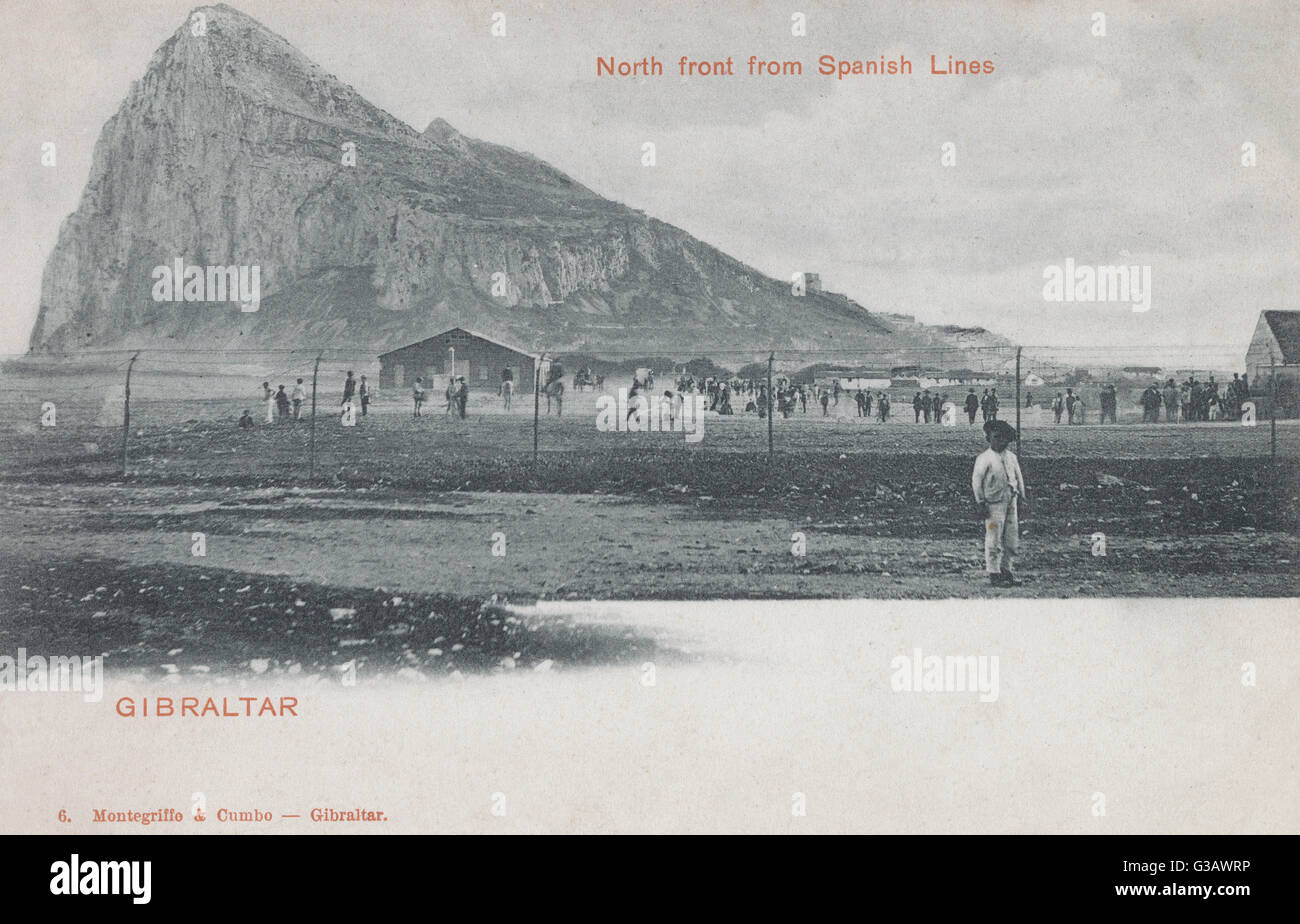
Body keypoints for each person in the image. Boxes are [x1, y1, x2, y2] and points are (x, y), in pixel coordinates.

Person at [972, 419, 1027, 587]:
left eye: (1004, 438)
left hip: (1011, 501)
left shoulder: (1012, 457)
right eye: (996, 437)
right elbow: (976, 481)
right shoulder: (984, 458)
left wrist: (1022, 498)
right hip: (992, 504)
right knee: (993, 537)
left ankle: (1006, 570)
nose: (1000, 441)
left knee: (1011, 539)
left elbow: (1019, 478)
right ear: (989, 438)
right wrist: (980, 502)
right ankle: (994, 573)